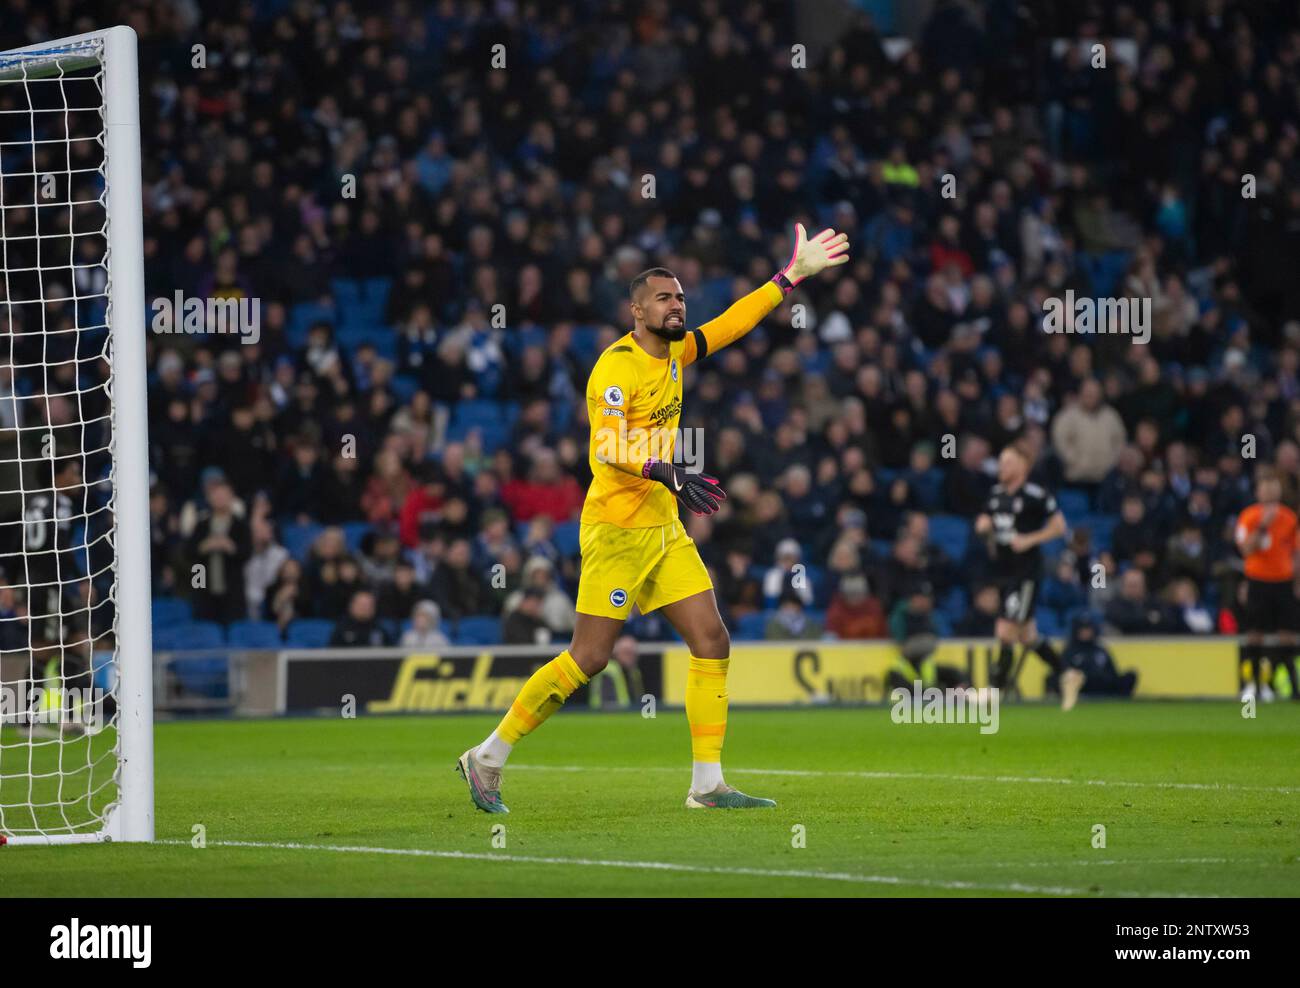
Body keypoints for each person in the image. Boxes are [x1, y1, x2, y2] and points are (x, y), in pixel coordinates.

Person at [456, 222, 850, 812]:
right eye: (665, 297)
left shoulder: (678, 352)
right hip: (616, 528)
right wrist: (667, 471)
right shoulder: (616, 368)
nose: (678, 305)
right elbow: (606, 448)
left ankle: (707, 785)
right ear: (636, 309)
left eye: (682, 297)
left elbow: (731, 324)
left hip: (663, 526)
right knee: (589, 657)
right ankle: (486, 757)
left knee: (712, 640)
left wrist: (790, 276)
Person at [974, 442, 1068, 692]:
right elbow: (983, 519)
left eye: (1007, 462)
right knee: (1027, 636)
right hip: (1003, 571)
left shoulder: (1036, 495)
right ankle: (1068, 673)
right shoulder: (995, 494)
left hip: (1025, 573)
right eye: (1001, 462)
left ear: (1022, 466)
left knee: (1005, 630)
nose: (1001, 467)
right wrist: (984, 527)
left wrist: (1030, 539)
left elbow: (1060, 526)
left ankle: (994, 690)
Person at [1233, 471, 1300, 702]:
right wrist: (1263, 526)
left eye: (1274, 488)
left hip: (1283, 582)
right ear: (1258, 492)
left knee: (1288, 636)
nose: (1271, 492)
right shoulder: (1249, 517)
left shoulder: (1289, 518)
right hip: (1258, 581)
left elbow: (1296, 552)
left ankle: (1292, 687)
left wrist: (1297, 580)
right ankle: (1255, 686)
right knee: (1254, 635)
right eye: (1266, 488)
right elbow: (1245, 549)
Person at [1053, 611, 1133, 711]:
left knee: (1131, 675)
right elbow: (1064, 671)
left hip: (1103, 684)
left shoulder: (1100, 650)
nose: (1086, 632)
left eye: (1088, 629)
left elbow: (1113, 672)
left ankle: (1116, 700)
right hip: (1082, 685)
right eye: (1083, 629)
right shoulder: (1070, 651)